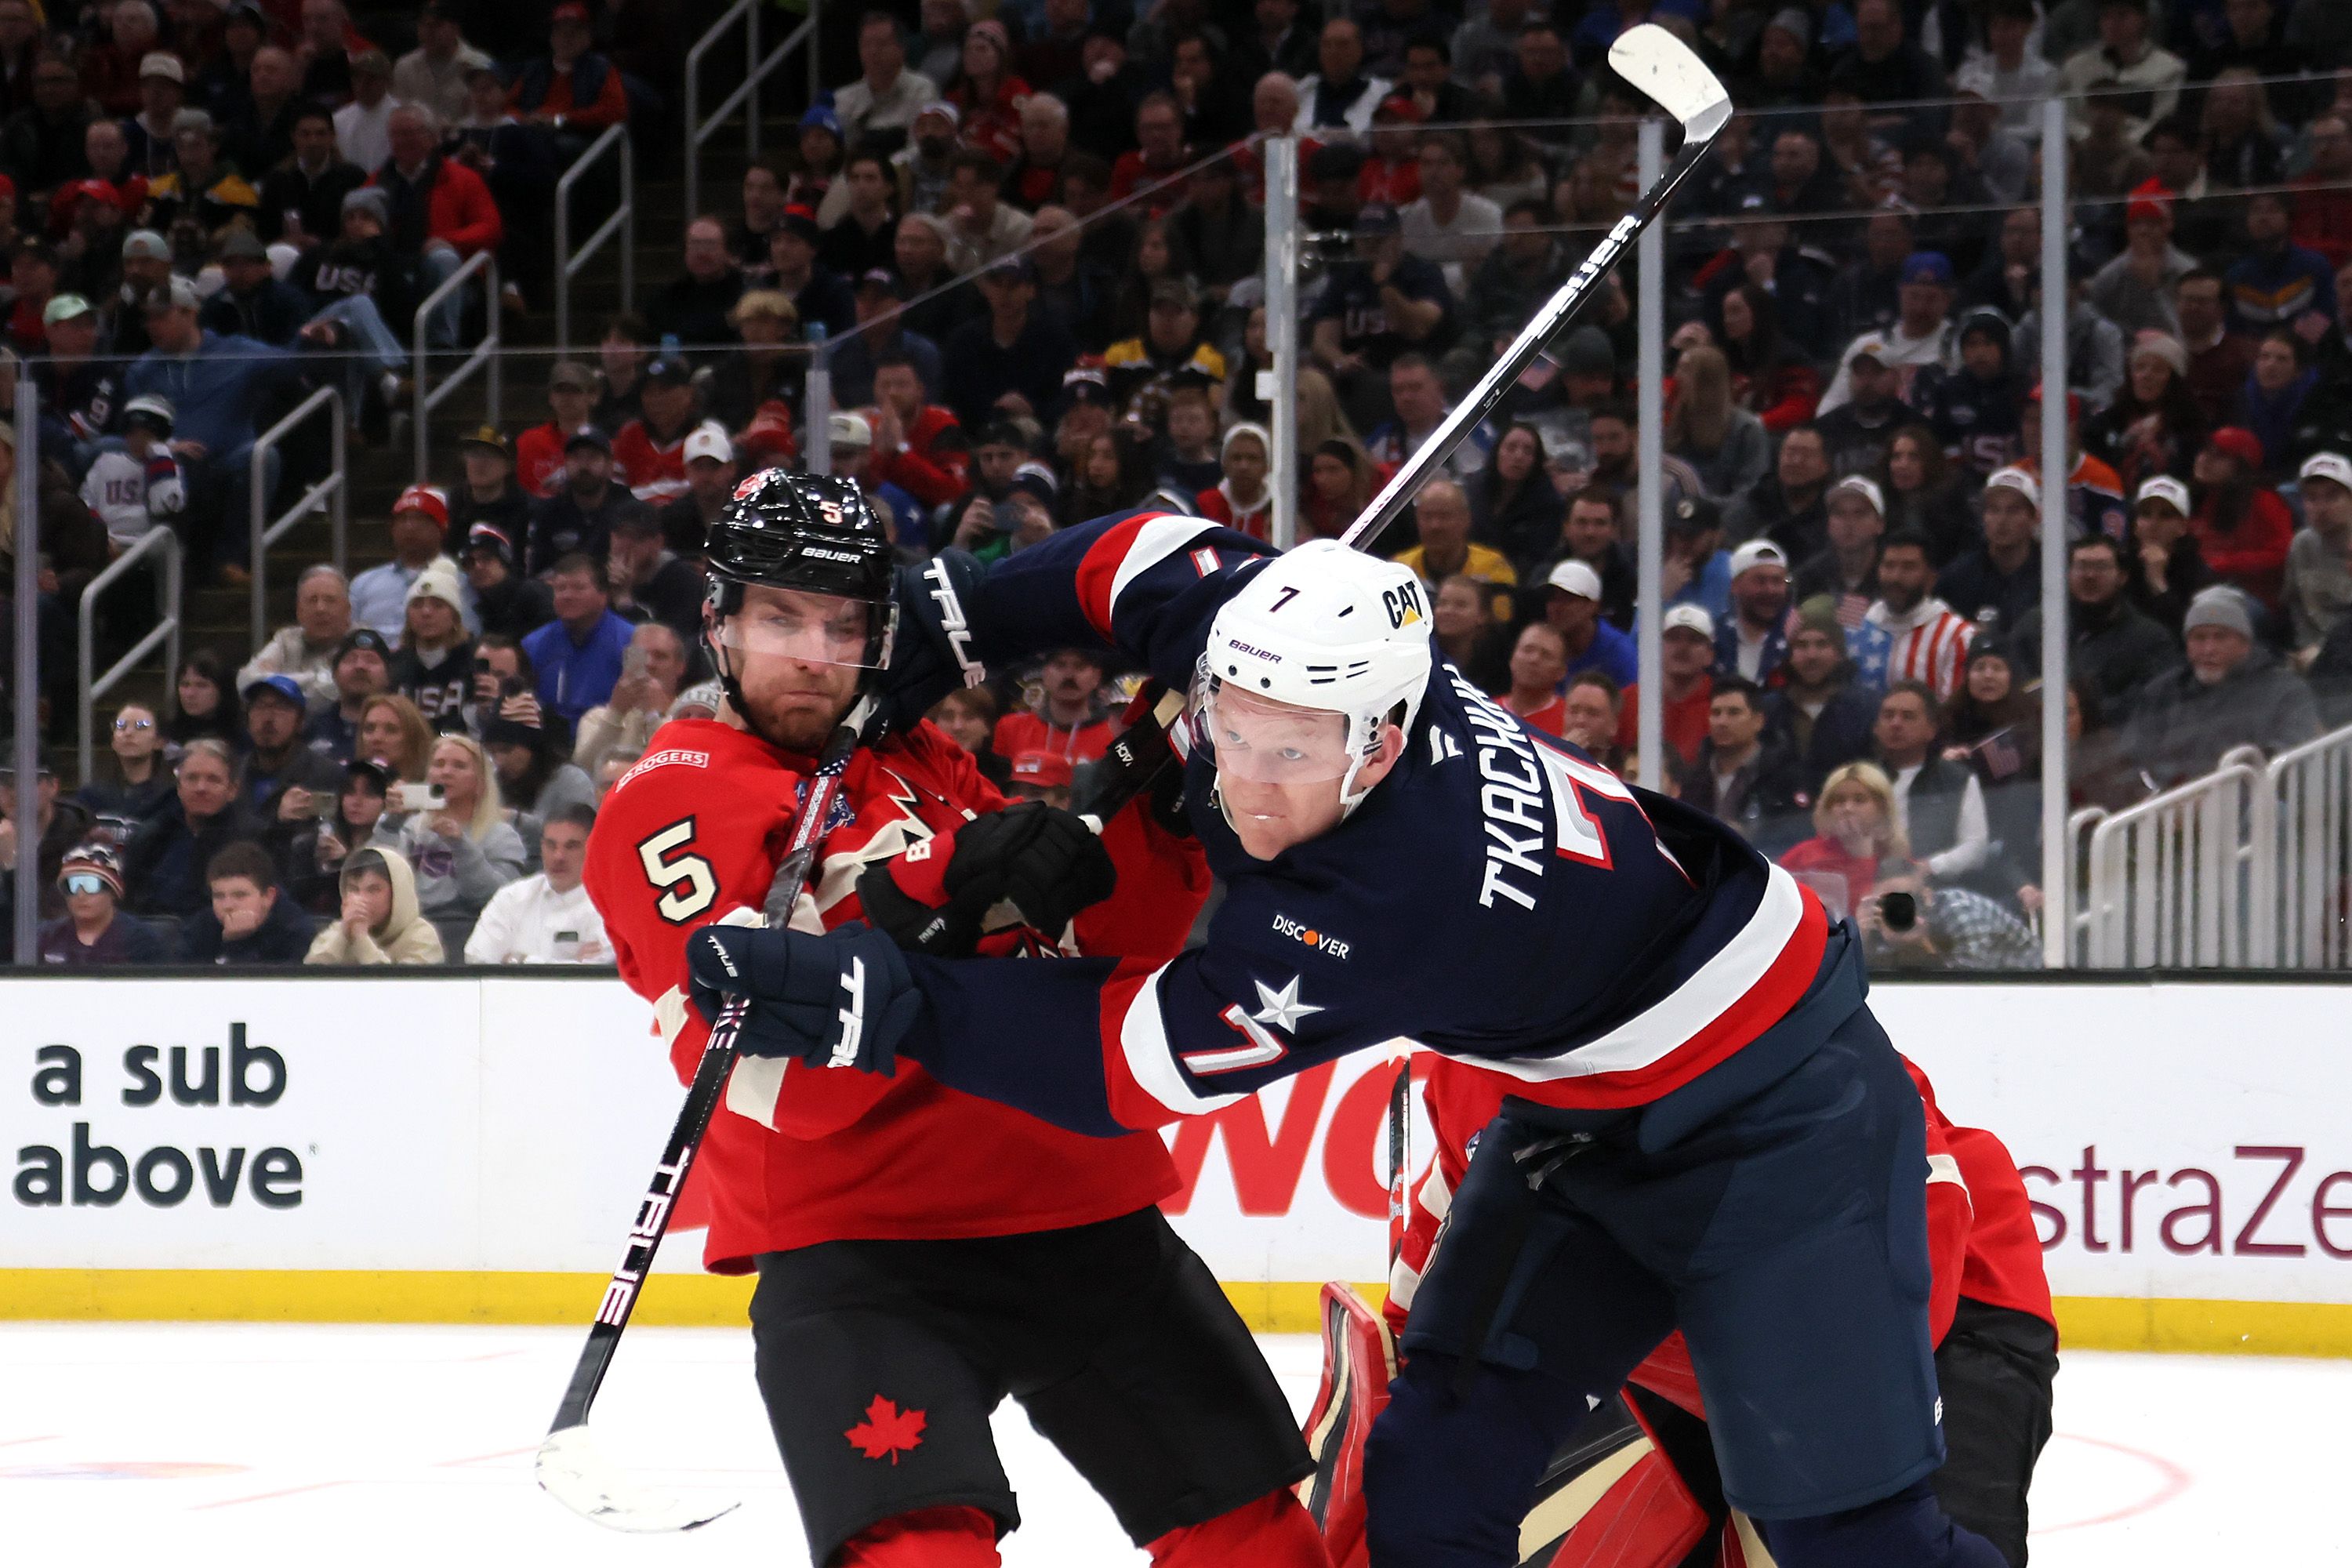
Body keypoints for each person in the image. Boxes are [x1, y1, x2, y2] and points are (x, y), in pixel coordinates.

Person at [702, 514, 2016, 1568]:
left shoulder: (1399, 900)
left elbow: (1131, 1065)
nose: (1247, 781)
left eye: (1291, 752)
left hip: (1777, 1117)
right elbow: (1145, 555)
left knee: (1845, 1540)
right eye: (1229, 729)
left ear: (1384, 743)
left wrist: (888, 1002)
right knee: (1434, 1480)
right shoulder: (1286, 648)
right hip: (1583, 1113)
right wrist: (959, 612)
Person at [580, 472, 1327, 1568]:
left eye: (842, 626)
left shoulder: (918, 759)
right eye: (781, 618)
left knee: (1260, 1545)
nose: (814, 654)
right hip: (868, 1255)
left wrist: (1160, 806)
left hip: (1080, 1214)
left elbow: (1091, 951)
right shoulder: (673, 796)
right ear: (719, 622)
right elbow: (783, 1085)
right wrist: (942, 890)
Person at [2125, 586, 2320, 786]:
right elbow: (2136, 755)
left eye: (2220, 637)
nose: (2209, 649)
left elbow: (2291, 756)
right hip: (2172, 799)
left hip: (2254, 798)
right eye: (2199, 638)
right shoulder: (2162, 691)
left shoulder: (2286, 691)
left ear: (2245, 644)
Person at [377, 731, 525, 949]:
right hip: (412, 930)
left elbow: (498, 898)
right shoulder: (410, 828)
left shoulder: (502, 836)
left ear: (480, 782)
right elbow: (377, 882)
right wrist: (391, 824)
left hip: (471, 932)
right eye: (439, 764)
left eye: (459, 766)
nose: (446, 772)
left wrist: (460, 845)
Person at [122, 739, 265, 919]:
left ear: (232, 790)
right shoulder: (151, 837)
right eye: (192, 778)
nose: (201, 788)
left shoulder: (253, 839)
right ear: (179, 787)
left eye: (213, 780)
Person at [1674, 676, 1809, 857]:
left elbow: (1799, 830)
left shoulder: (1784, 776)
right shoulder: (1693, 779)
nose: (1722, 722)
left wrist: (1751, 835)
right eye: (1716, 713)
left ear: (1758, 721)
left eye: (1734, 713)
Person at [1874, 681, 1991, 885]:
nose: (1896, 723)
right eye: (1888, 715)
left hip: (1937, 887)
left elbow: (1976, 846)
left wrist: (1931, 866)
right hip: (1869, 885)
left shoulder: (1957, 779)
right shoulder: (1862, 780)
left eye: (1908, 716)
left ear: (1931, 730)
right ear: (1876, 727)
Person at [463, 804, 604, 962]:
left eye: (571, 846)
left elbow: (598, 968)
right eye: (551, 845)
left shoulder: (611, 906)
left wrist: (517, 960)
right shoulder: (511, 897)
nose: (558, 856)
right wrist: (571, 963)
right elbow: (477, 959)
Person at [1778, 759, 1908, 917]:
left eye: (1860, 800)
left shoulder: (1896, 856)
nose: (1848, 808)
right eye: (1839, 801)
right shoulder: (1803, 856)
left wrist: (1862, 853)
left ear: (1882, 808)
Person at [2187, 426, 2293, 615]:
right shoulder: (2199, 497)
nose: (2204, 459)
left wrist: (2224, 564)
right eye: (2204, 451)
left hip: (2252, 596)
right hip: (2204, 588)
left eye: (2219, 455)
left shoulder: (2264, 500)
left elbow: (2283, 553)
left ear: (2241, 466)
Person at [524, 555, 638, 728]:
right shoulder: (534, 644)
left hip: (610, 733)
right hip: (549, 736)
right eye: (561, 589)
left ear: (603, 595)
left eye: (579, 588)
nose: (567, 595)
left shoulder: (632, 642)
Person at [1936, 468, 2042, 642]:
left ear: (2035, 517)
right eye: (1994, 510)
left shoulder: (2052, 575)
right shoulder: (1958, 577)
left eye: (2013, 510)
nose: (2002, 520)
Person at [1867, 532, 1975, 702]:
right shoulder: (1857, 626)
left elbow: (1954, 709)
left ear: (1931, 578)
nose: (1896, 577)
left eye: (1908, 568)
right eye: (1889, 566)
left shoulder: (1956, 635)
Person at [350, 485, 466, 640]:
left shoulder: (460, 583)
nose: (410, 527)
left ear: (441, 528)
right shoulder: (364, 583)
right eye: (403, 519)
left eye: (420, 519)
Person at [1613, 605, 1718, 774]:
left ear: (1709, 655)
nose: (1682, 647)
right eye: (1673, 638)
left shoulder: (1719, 704)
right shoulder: (1629, 699)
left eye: (1694, 640)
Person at [176, 840, 314, 964]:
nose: (228, 906)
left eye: (240, 895)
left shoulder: (296, 933)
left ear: (268, 896)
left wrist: (237, 944)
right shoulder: (201, 928)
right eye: (219, 896)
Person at [303, 841, 443, 964]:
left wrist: (361, 939)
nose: (361, 899)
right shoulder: (340, 929)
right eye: (353, 889)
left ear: (397, 892)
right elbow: (311, 975)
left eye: (373, 890)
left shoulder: (422, 936)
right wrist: (342, 935)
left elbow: (396, 985)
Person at [236, 563, 350, 707]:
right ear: (299, 611)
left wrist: (277, 684)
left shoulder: (361, 644)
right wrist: (316, 679)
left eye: (330, 600)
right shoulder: (286, 639)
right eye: (312, 600)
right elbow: (247, 680)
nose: (320, 609)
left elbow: (336, 691)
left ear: (348, 609)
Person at [37, 840, 164, 965]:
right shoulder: (46, 937)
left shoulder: (140, 942)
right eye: (73, 885)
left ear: (113, 892)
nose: (81, 895)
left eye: (91, 884)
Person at [238, 673, 343, 820]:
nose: (268, 718)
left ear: (300, 721)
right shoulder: (233, 773)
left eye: (281, 707)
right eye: (260, 706)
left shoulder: (327, 776)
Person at [387, 557, 475, 726]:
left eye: (438, 605)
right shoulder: (395, 665)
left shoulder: (473, 661)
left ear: (454, 616)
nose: (426, 612)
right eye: (417, 605)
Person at [995, 648, 1115, 764]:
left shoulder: (1114, 735)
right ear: (1045, 673)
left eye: (1080, 667)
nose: (1069, 675)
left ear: (1096, 677)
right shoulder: (1011, 728)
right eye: (1060, 665)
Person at [2285, 451, 2352, 659]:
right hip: (2314, 651)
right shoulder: (2302, 544)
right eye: (2311, 498)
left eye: (2332, 497)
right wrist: (2307, 646)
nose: (2321, 508)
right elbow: (2296, 605)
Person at [77, 701, 174, 833]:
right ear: (113, 741)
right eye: (121, 726)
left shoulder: (170, 798)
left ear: (159, 741)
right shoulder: (91, 796)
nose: (128, 733)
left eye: (141, 727)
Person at [304, 629, 392, 762]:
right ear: (335, 673)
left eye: (371, 660)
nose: (360, 666)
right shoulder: (311, 728)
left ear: (388, 676)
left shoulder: (403, 729)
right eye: (351, 659)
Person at [1717, 540, 1791, 684]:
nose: (1770, 590)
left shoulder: (1796, 637)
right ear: (1735, 585)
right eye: (1760, 581)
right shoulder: (1714, 639)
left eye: (1777, 581)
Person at [1497, 620, 1570, 734]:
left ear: (1561, 672)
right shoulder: (1487, 710)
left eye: (1546, 655)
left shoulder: (1569, 719)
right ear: (1512, 658)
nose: (1534, 659)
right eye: (1528, 650)